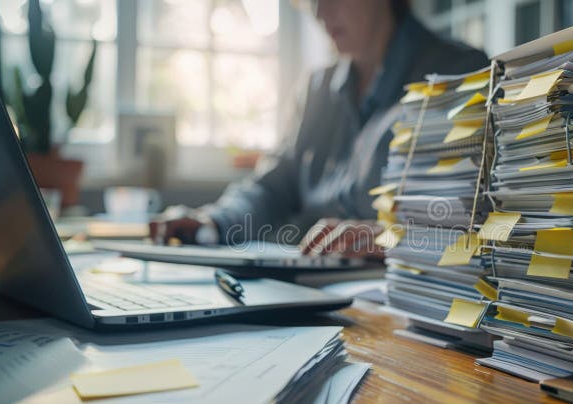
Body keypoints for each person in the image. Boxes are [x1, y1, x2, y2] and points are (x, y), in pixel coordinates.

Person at [150, 0, 488, 254]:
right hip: (310, 280)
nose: (320, 12)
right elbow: (274, 186)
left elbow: (472, 214)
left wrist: (388, 237)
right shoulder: (315, 89)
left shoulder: (460, 73)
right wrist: (214, 221)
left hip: (400, 295)